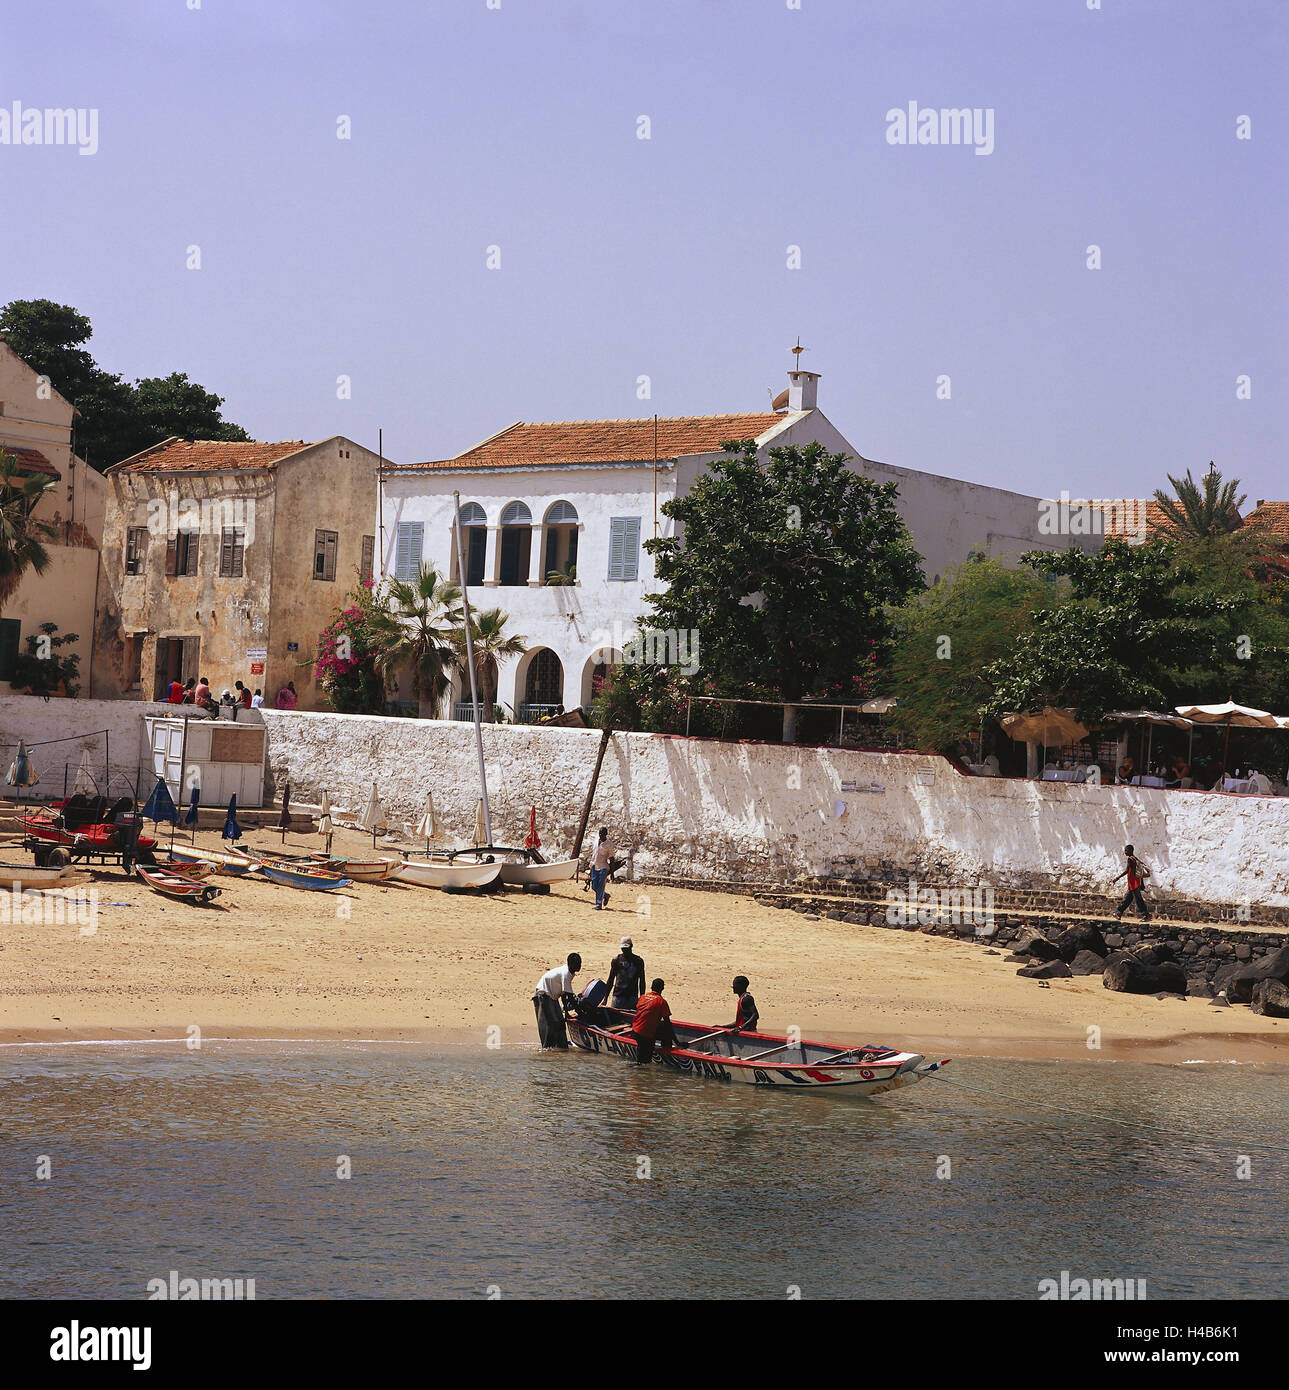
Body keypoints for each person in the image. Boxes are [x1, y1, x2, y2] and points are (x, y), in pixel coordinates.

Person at [532, 953, 581, 1049]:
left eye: (580, 963)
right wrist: (580, 1011)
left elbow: (564, 995)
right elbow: (569, 997)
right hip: (543, 994)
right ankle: (547, 1049)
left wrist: (566, 1013)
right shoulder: (566, 974)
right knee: (552, 1024)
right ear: (570, 964)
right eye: (577, 964)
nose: (579, 966)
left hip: (552, 997)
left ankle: (561, 1047)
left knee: (560, 1022)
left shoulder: (569, 973)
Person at [630, 978, 673, 1065]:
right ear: (662, 989)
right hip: (645, 1035)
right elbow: (668, 1024)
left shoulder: (642, 997)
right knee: (644, 1063)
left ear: (651, 987)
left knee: (662, 1026)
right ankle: (667, 1051)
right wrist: (677, 1042)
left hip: (635, 1031)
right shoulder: (662, 1002)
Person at [605, 936, 646, 1013]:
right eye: (623, 949)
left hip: (632, 997)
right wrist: (605, 998)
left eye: (626, 948)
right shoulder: (616, 960)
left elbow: (642, 981)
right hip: (618, 997)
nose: (625, 951)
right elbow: (610, 980)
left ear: (631, 947)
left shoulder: (638, 961)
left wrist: (642, 998)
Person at [1111, 845, 1152, 921]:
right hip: (1135, 882)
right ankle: (1118, 913)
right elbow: (1140, 872)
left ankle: (1146, 915)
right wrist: (1141, 883)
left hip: (1133, 883)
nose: (1125, 852)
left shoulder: (1130, 859)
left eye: (1126, 850)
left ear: (1131, 850)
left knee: (1138, 900)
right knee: (1128, 899)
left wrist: (1117, 878)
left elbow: (1127, 871)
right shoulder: (1135, 859)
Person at [589, 826, 613, 910]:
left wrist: (612, 873)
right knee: (594, 886)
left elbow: (612, 858)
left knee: (600, 886)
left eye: (602, 834)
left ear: (606, 835)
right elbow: (593, 854)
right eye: (599, 834)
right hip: (594, 865)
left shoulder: (609, 844)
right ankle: (605, 895)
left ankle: (598, 905)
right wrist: (590, 866)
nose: (600, 835)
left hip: (603, 867)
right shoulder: (596, 841)